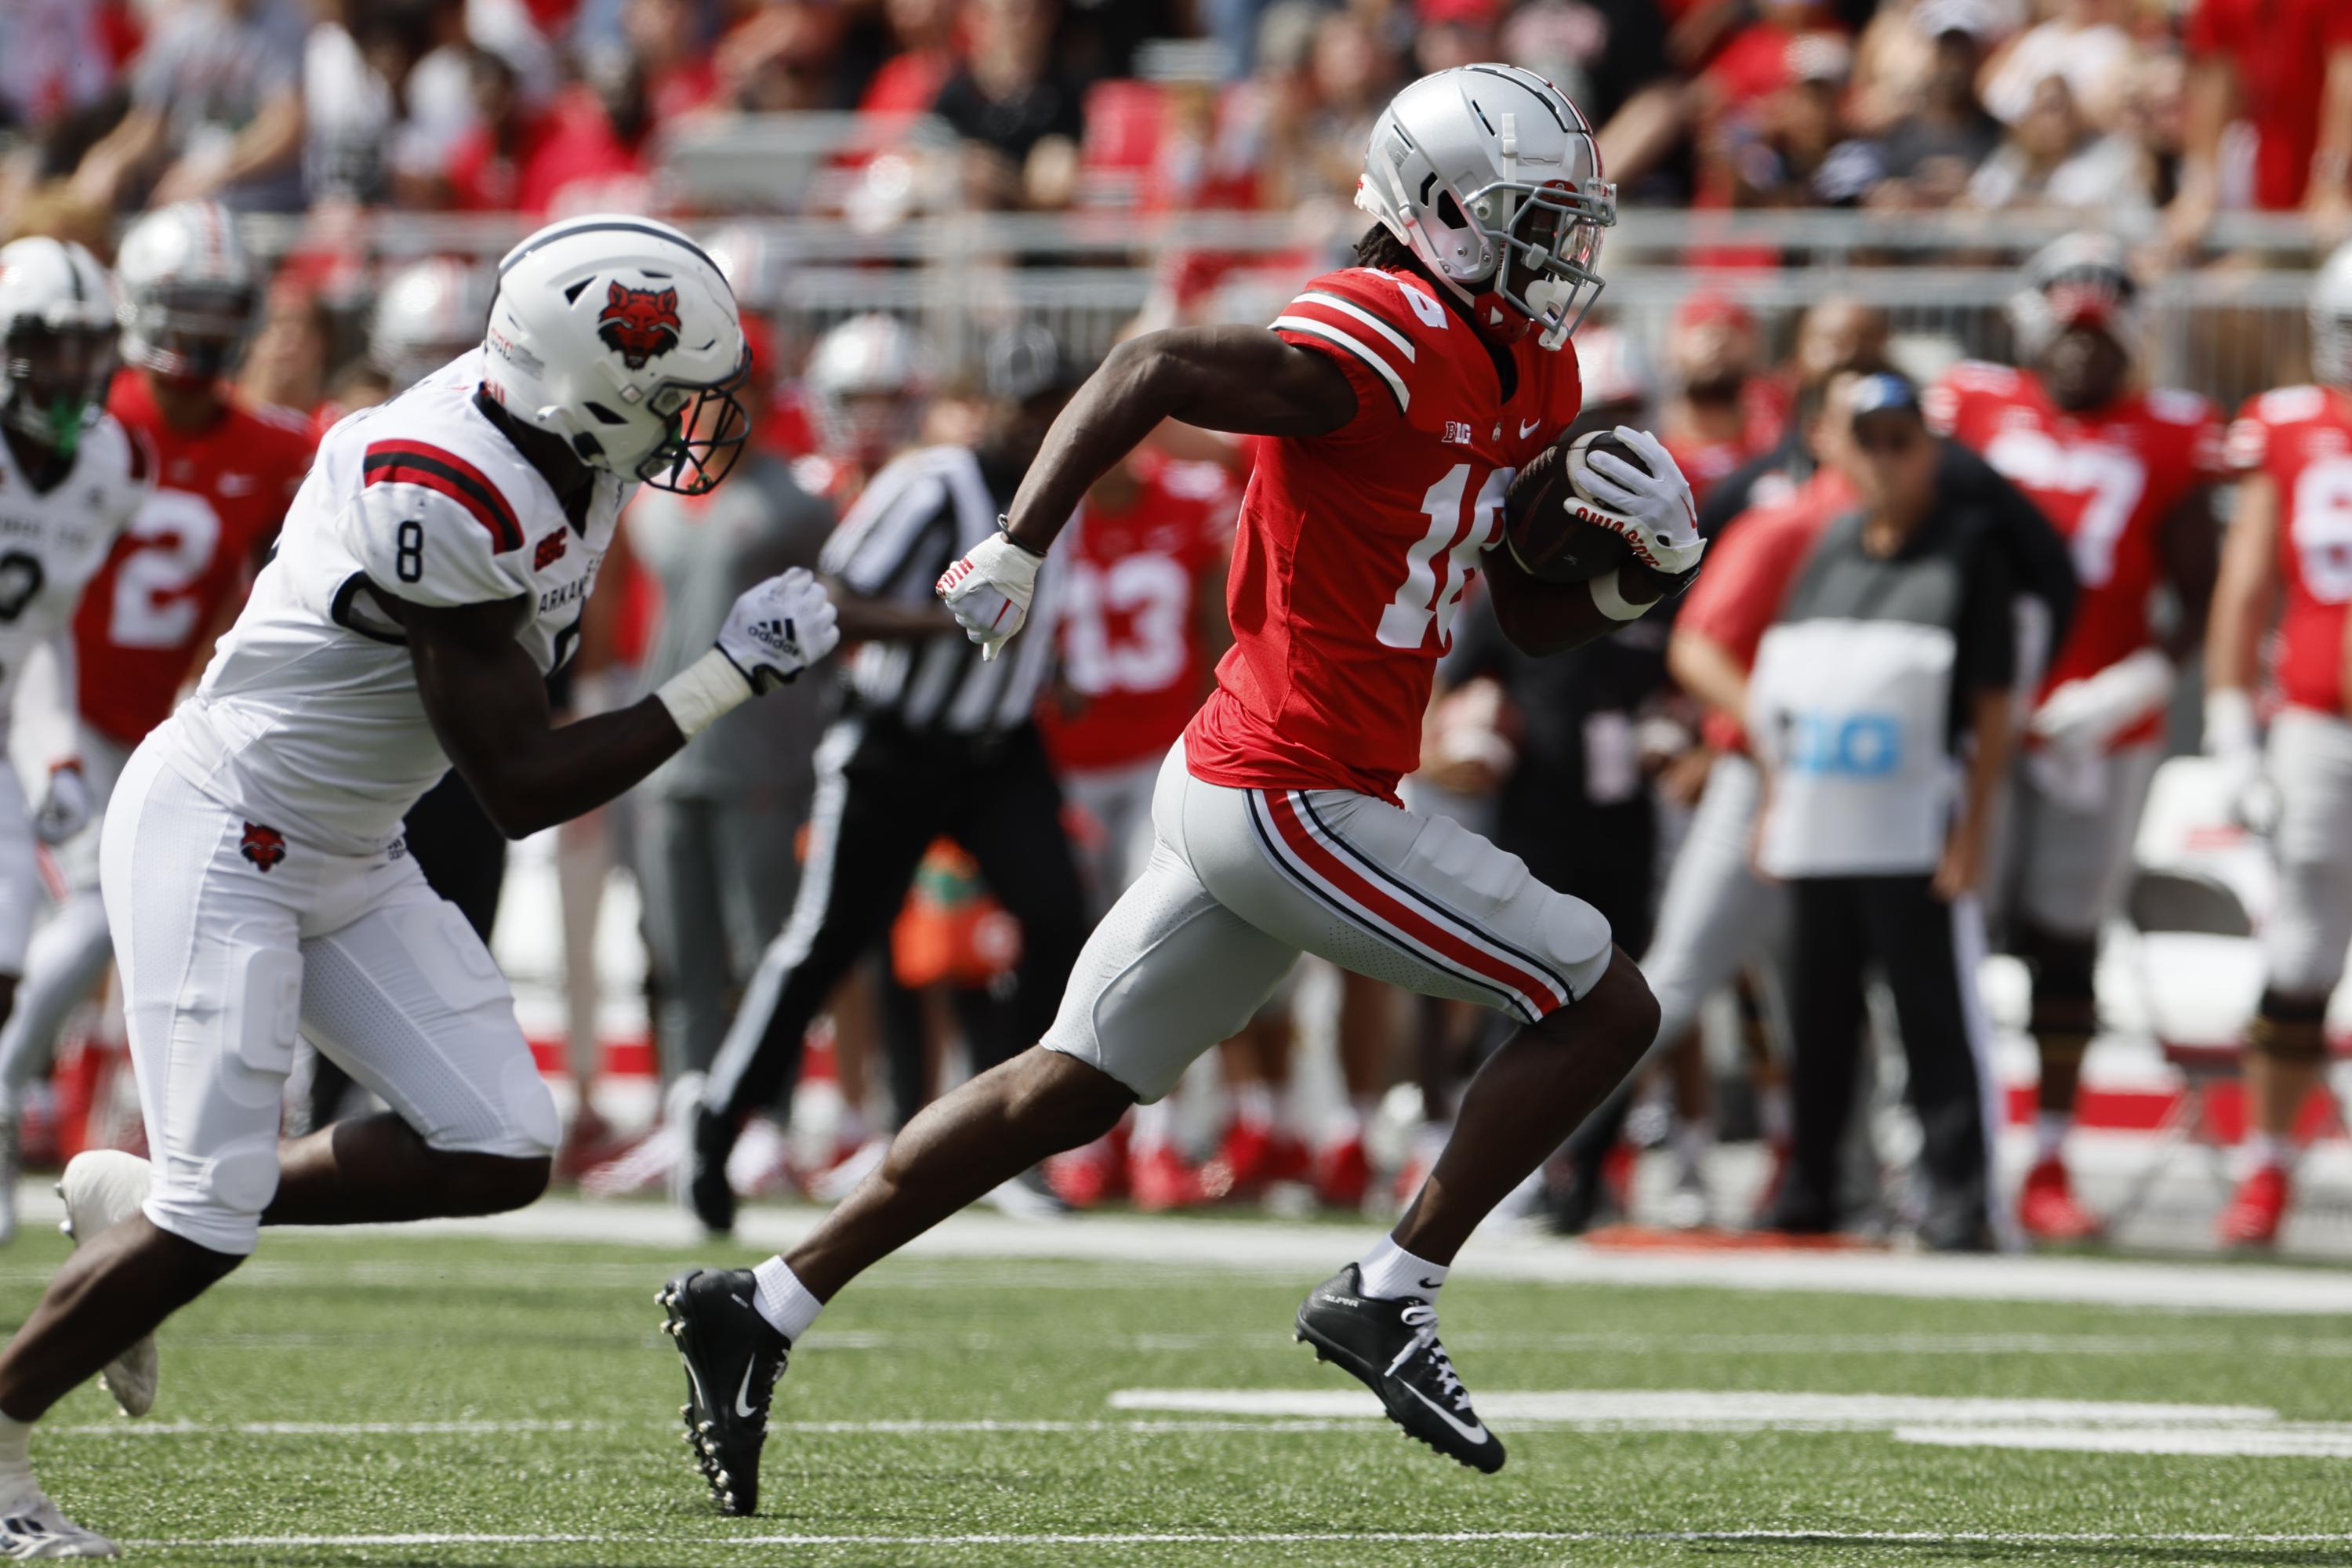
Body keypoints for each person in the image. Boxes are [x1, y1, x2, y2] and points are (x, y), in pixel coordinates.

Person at [657, 64, 1693, 1515]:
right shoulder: (1379, 326)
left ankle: (760, 1302)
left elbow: (1527, 616)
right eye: (1533, 222)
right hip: (1289, 790)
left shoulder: (1532, 366)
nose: (1558, 254)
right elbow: (1147, 370)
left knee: (1062, 1092)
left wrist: (1647, 573)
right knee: (1603, 1002)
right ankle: (1392, 1288)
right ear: (1442, 213)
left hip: (1273, 785)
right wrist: (1017, 544)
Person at [0, 215, 840, 1560]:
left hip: (349, 841)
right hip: (231, 831)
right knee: (209, 1224)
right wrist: (725, 676)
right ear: (587, 375)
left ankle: (143, 1201)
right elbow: (517, 784)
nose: (695, 420)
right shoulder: (441, 480)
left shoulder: (557, 435)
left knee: (498, 1146)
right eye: (673, 391)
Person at [684, 324, 1094, 1237]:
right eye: (1033, 409)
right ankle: (717, 1122)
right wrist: (953, 623)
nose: (1047, 428)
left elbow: (1041, 612)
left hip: (999, 747)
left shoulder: (1072, 485)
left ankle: (1004, 1136)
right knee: (825, 942)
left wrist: (1053, 669)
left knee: (1062, 922)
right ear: (992, 407)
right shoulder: (934, 482)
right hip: (895, 746)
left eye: (1061, 410)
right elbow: (835, 595)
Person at [0, 205, 314, 1247]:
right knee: (86, 914)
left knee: (89, 922)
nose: (205, 326)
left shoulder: (237, 448)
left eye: (226, 308)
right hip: (56, 711)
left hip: (132, 718)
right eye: (189, 304)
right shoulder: (101, 423)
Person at [1927, 234, 2223, 1241]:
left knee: (2064, 938)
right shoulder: (1972, 409)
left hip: (2102, 730)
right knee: (1950, 930)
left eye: (2099, 337)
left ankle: (2048, 1154)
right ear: (2030, 326)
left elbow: (2204, 593)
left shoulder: (2173, 434)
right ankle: (1945, 1143)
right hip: (1978, 713)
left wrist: (2136, 679)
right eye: (2065, 333)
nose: (2079, 354)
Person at [1750, 372, 2069, 1253]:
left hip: (1914, 824)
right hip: (1821, 820)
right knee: (1818, 1022)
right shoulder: (1829, 545)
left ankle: (1963, 1194)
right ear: (1842, 448)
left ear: (1928, 447)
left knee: (1933, 1017)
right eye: (1871, 440)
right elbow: (1791, 684)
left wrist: (1975, 828)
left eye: (1903, 440)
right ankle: (1812, 1185)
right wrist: (1775, 801)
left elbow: (1996, 702)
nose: (1887, 459)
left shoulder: (1970, 550)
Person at [0, 238, 156, 1265]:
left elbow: (42, 624)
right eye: (46, 350)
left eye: (84, 350)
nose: (67, 374)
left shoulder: (111, 466)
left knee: (9, 972)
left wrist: (50, 750)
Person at [2200, 241, 2352, 1247]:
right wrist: (2227, 720)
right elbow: (2248, 578)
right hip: (2318, 721)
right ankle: (2265, 1168)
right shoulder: (2293, 426)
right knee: (2300, 944)